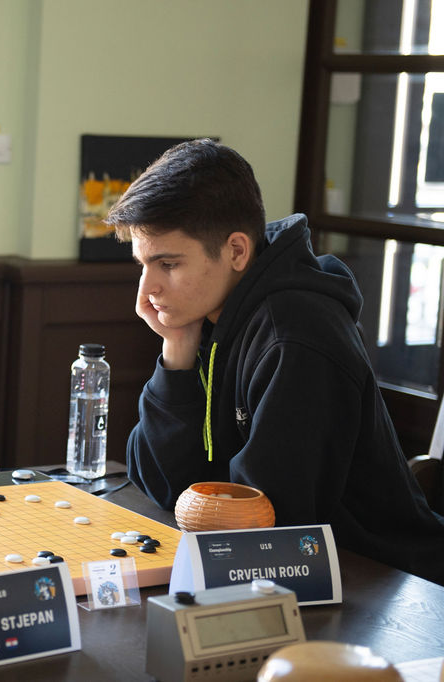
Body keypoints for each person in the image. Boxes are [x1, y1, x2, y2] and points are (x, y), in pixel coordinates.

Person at [105, 138, 444, 585]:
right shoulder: (209, 313)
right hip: (298, 572)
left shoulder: (296, 337)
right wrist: (177, 350)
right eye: (142, 265)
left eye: (167, 264)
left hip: (388, 584)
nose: (148, 290)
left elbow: (262, 522)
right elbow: (162, 484)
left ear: (237, 251)